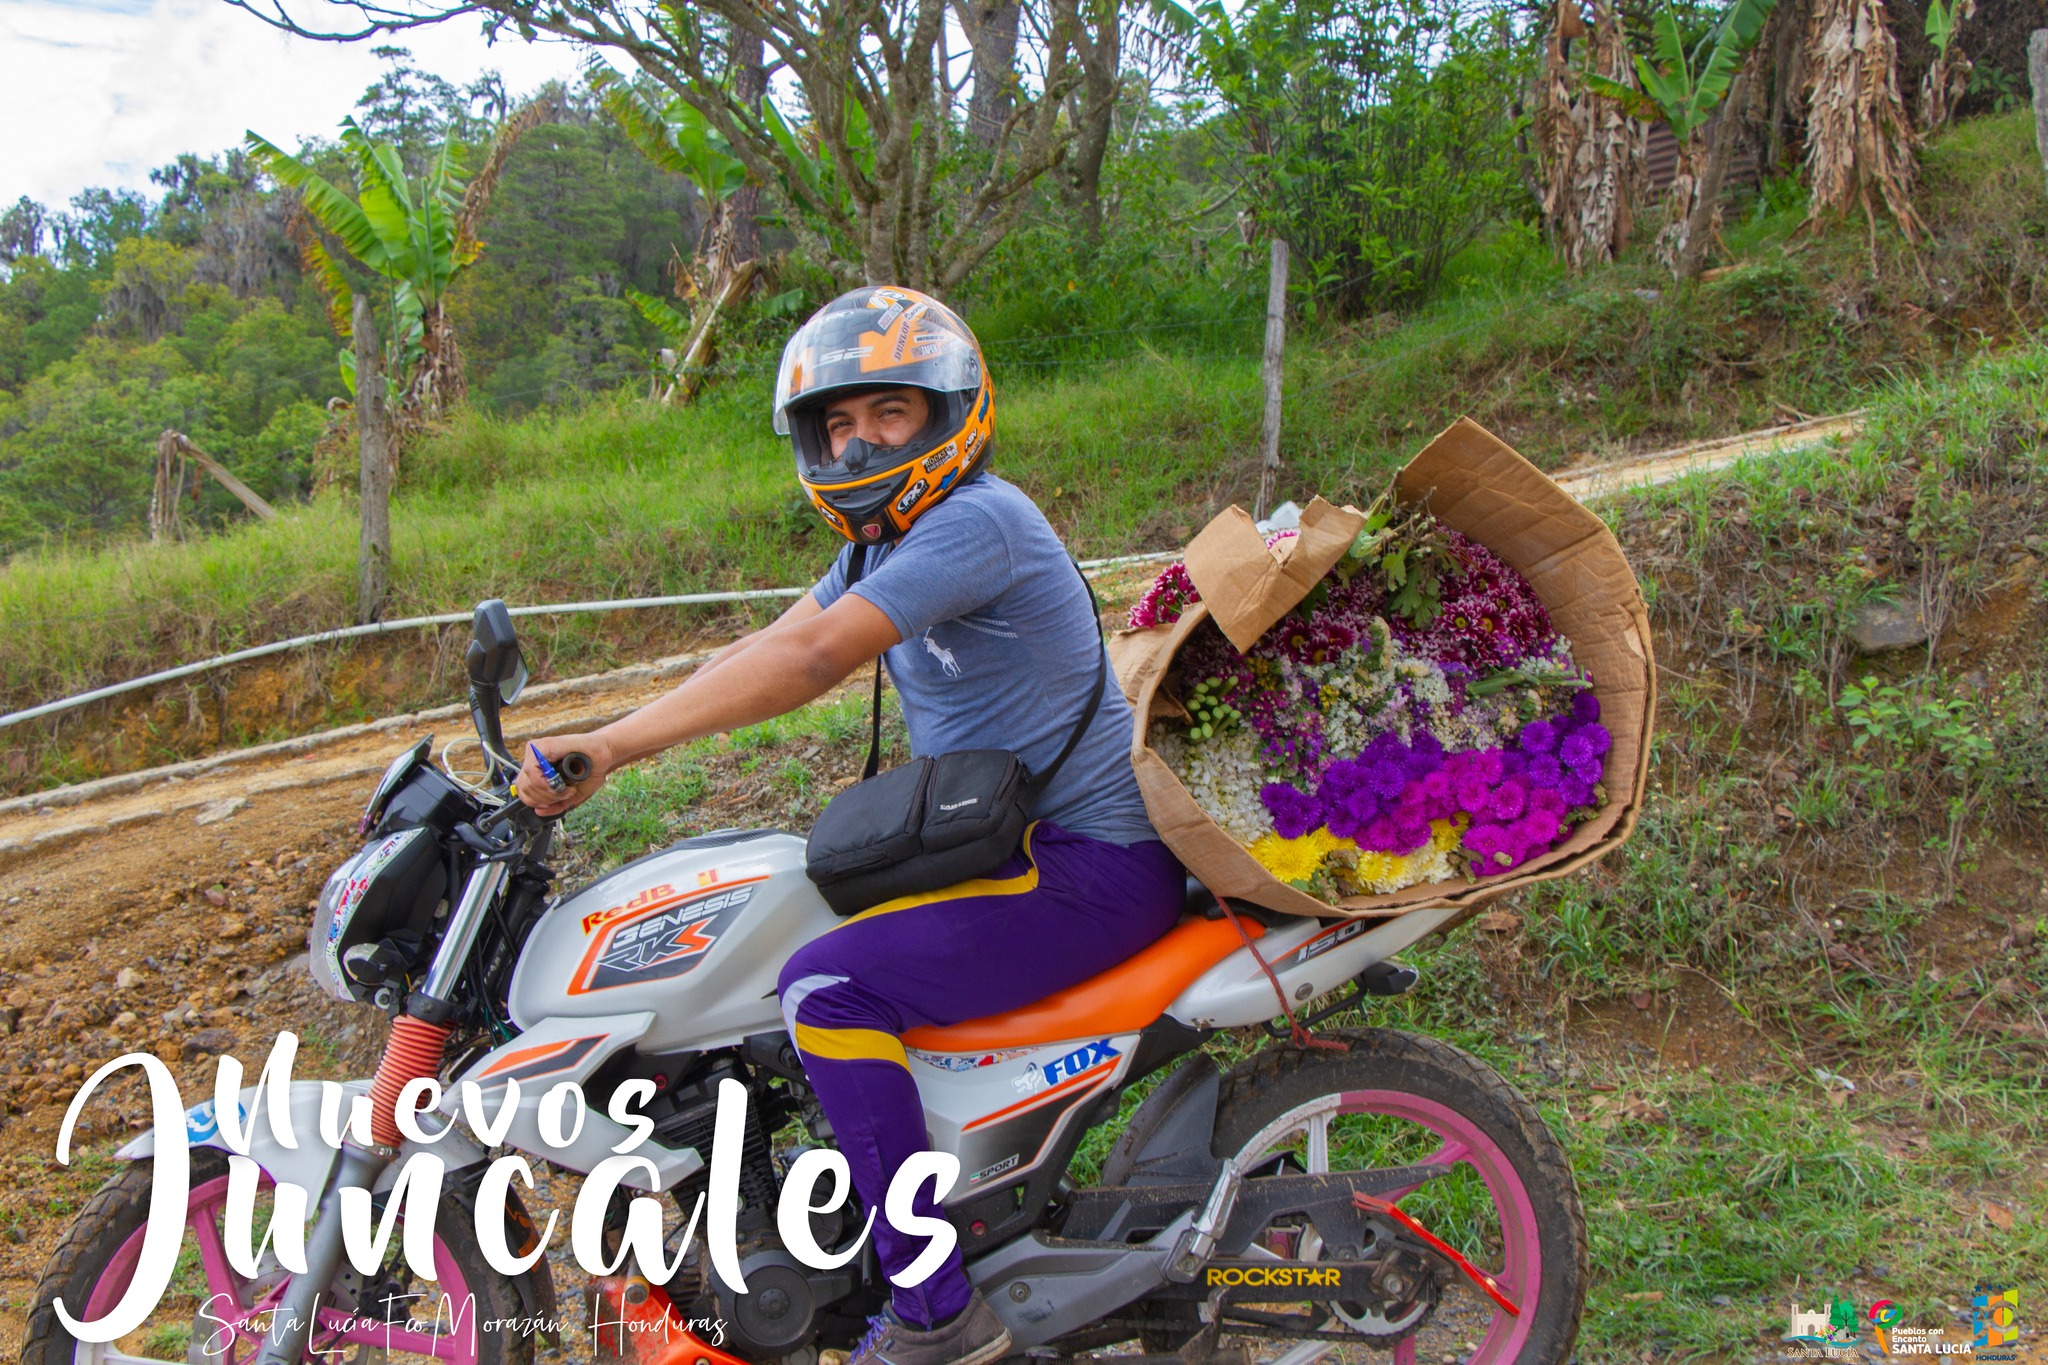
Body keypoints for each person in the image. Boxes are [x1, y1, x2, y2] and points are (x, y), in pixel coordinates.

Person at [517, 286, 1185, 1365]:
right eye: (837, 423)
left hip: (1091, 866)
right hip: (1009, 853)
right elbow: (768, 645)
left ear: (948, 414)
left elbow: (813, 660)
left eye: (888, 412)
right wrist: (605, 736)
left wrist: (620, 747)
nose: (859, 442)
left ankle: (936, 1310)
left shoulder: (975, 522)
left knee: (828, 988)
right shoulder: (884, 544)